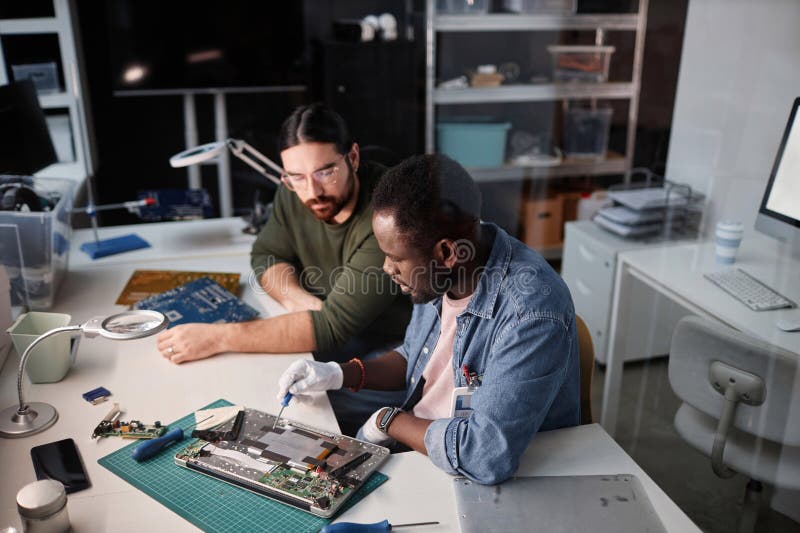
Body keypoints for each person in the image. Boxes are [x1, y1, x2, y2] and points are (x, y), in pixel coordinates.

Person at [276, 154, 580, 484]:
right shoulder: (440, 274)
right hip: (426, 437)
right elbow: (416, 357)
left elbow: (483, 456)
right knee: (307, 421)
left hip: (482, 471)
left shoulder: (531, 312)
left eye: (395, 258)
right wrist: (339, 373)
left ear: (447, 253)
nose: (386, 268)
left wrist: (388, 421)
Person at [156, 104, 411, 432]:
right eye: (296, 177)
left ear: (354, 157)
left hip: (396, 350)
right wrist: (298, 300)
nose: (312, 191)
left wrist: (215, 338)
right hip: (341, 333)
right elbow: (266, 254)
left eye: (325, 172)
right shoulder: (295, 190)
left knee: (303, 410)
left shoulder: (388, 213)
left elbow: (333, 326)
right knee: (260, 385)